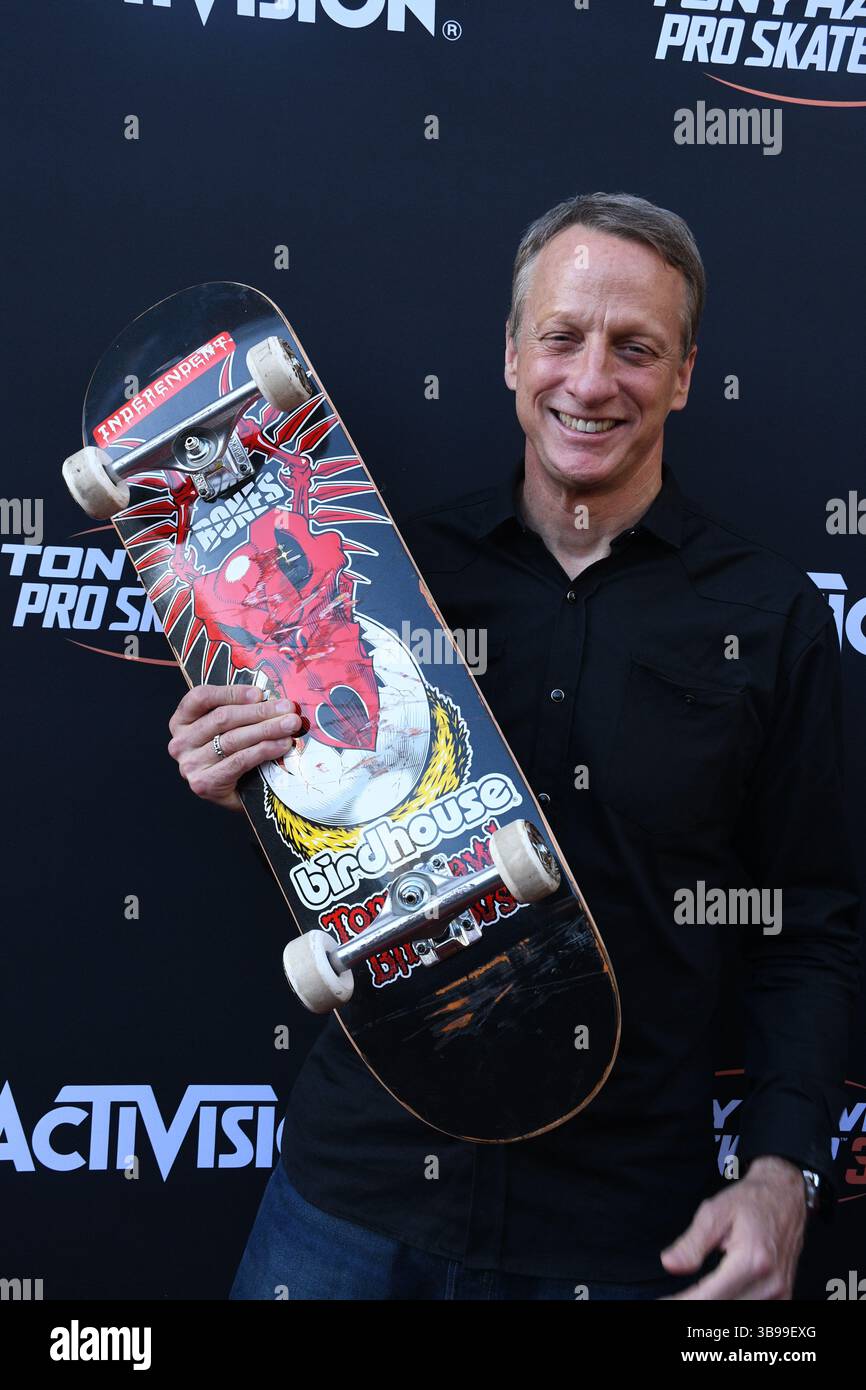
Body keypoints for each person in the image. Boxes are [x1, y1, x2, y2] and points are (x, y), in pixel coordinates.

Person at [167, 192, 860, 1301]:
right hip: (356, 1198)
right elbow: (321, 823)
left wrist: (782, 1168)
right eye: (561, 337)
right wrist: (245, 780)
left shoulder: (766, 617)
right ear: (508, 355)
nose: (590, 382)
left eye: (634, 348)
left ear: (682, 375)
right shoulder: (378, 580)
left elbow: (806, 928)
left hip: (620, 1231)